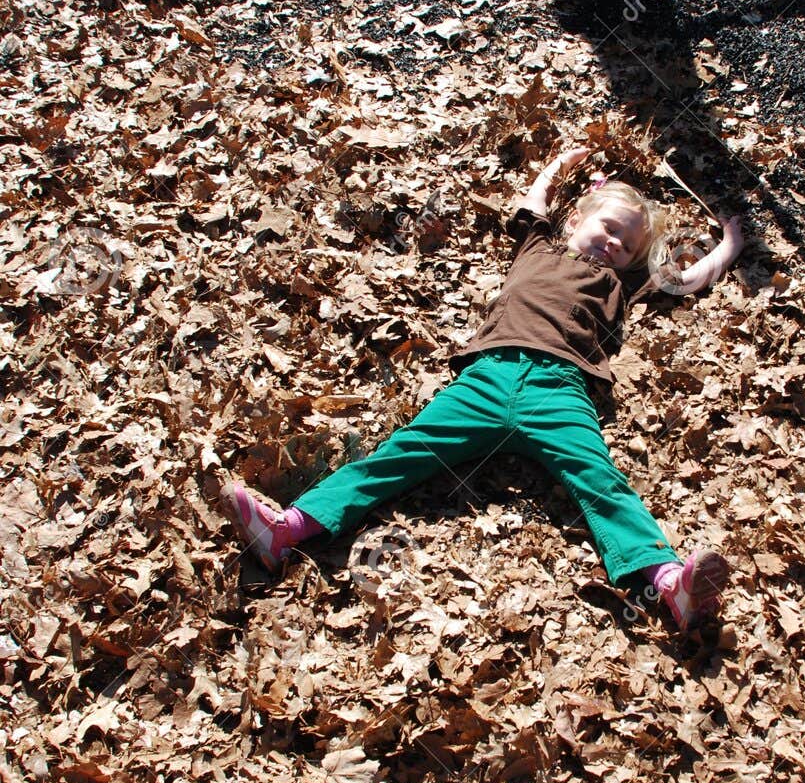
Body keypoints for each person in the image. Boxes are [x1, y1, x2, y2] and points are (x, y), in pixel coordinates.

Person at [220, 146, 745, 630]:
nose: (613, 245)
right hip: (487, 376)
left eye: (627, 246)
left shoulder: (619, 285)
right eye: (607, 228)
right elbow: (535, 200)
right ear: (578, 218)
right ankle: (288, 529)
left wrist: (730, 244)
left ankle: (667, 583)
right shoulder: (538, 244)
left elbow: (688, 278)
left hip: (560, 390)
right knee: (402, 452)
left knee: (599, 480)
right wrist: (561, 164)